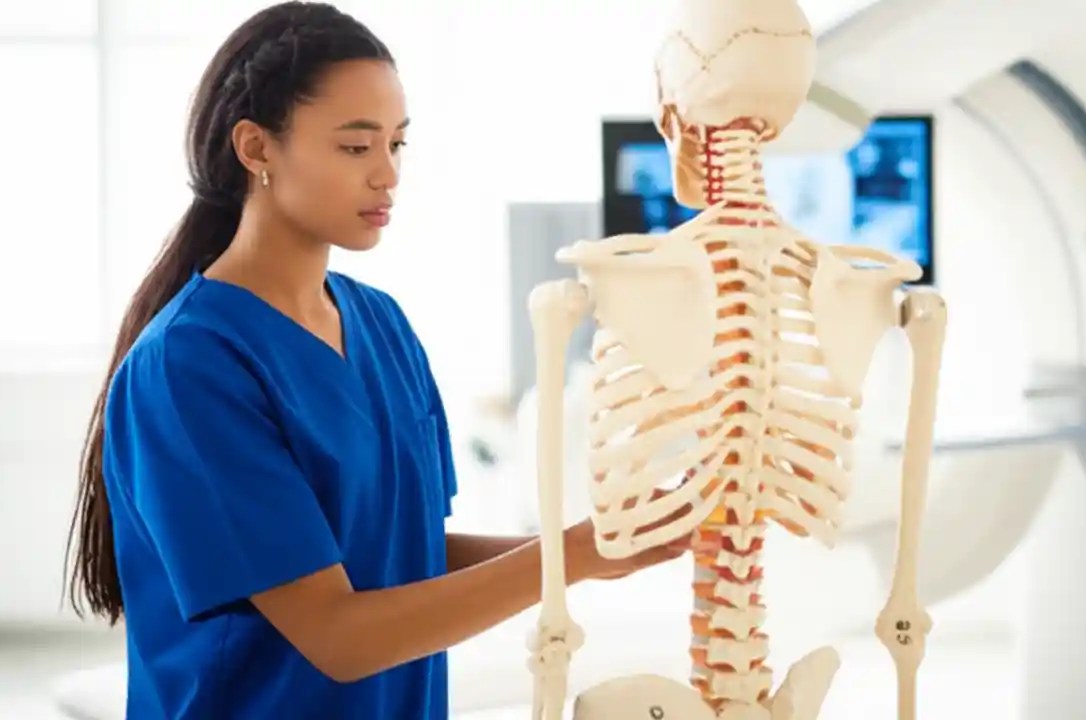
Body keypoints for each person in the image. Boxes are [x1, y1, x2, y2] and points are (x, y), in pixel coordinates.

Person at [63, 3, 692, 718]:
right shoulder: (190, 368)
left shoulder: (382, 325)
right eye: (356, 148)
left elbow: (408, 553)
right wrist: (570, 558)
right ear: (256, 148)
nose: (387, 175)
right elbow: (337, 635)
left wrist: (591, 545)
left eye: (398, 144)